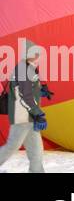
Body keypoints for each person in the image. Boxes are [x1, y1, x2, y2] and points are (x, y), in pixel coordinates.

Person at [0, 43, 51, 174]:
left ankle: (37, 171)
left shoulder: (30, 69)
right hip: (22, 116)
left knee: (36, 150)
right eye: (36, 54)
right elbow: (24, 96)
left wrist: (41, 91)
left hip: (29, 116)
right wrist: (38, 114)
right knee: (12, 146)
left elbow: (30, 90)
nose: (38, 57)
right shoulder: (23, 70)